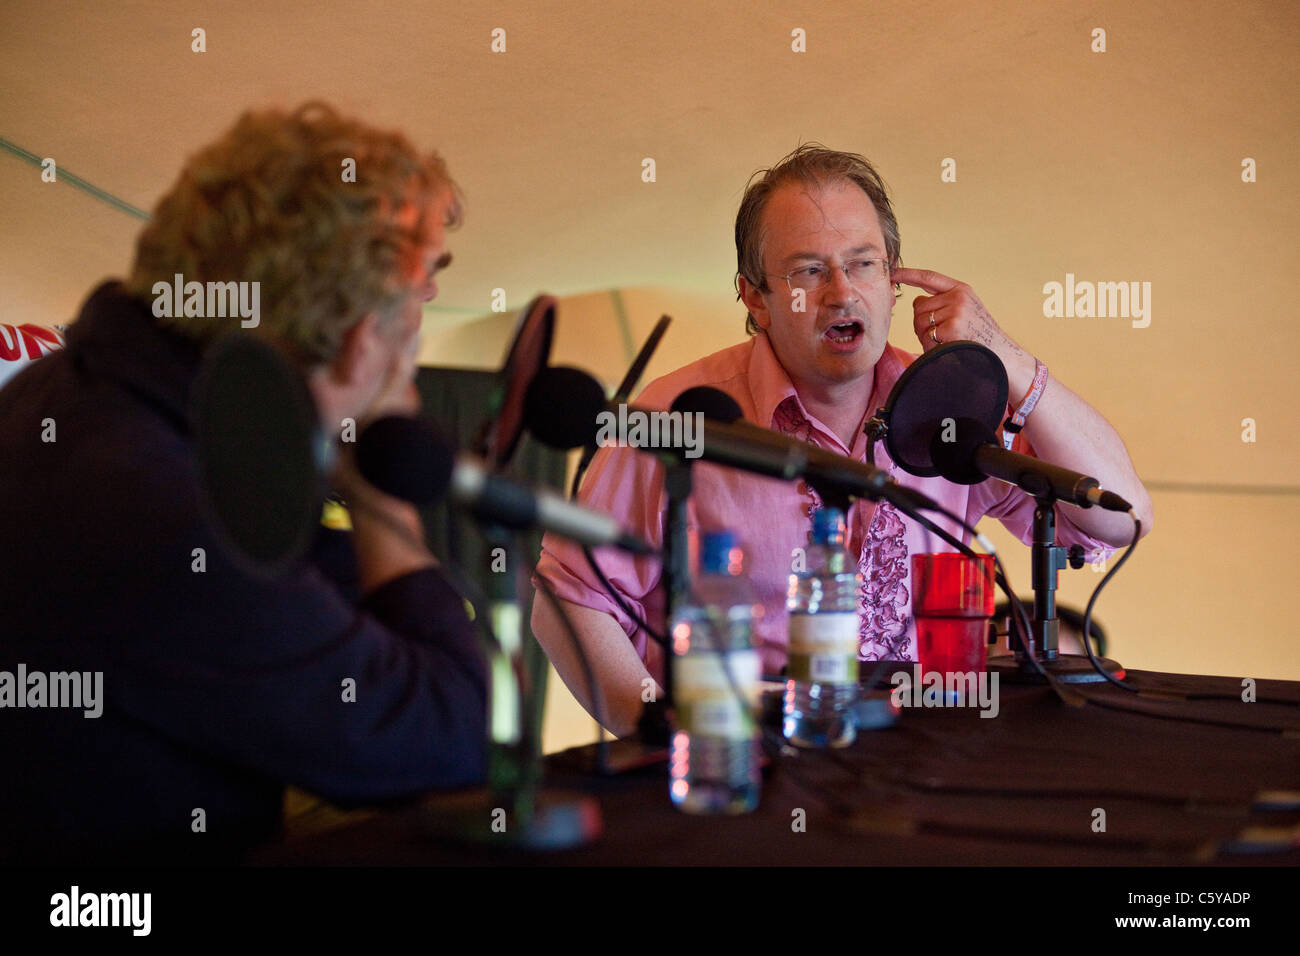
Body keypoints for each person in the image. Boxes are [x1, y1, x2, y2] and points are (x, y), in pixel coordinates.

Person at [0, 103, 486, 863]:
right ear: (363, 342)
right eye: (421, 290)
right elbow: (443, 736)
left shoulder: (79, 395)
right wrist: (382, 475)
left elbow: (307, 608)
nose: (420, 321)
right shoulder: (165, 507)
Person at [532, 145, 1154, 737]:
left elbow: (1120, 520)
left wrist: (1008, 359)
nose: (842, 291)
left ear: (893, 278)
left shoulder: (950, 405)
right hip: (744, 762)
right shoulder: (677, 413)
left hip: (919, 762)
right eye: (809, 270)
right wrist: (657, 728)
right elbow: (569, 595)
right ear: (756, 295)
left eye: (863, 263)